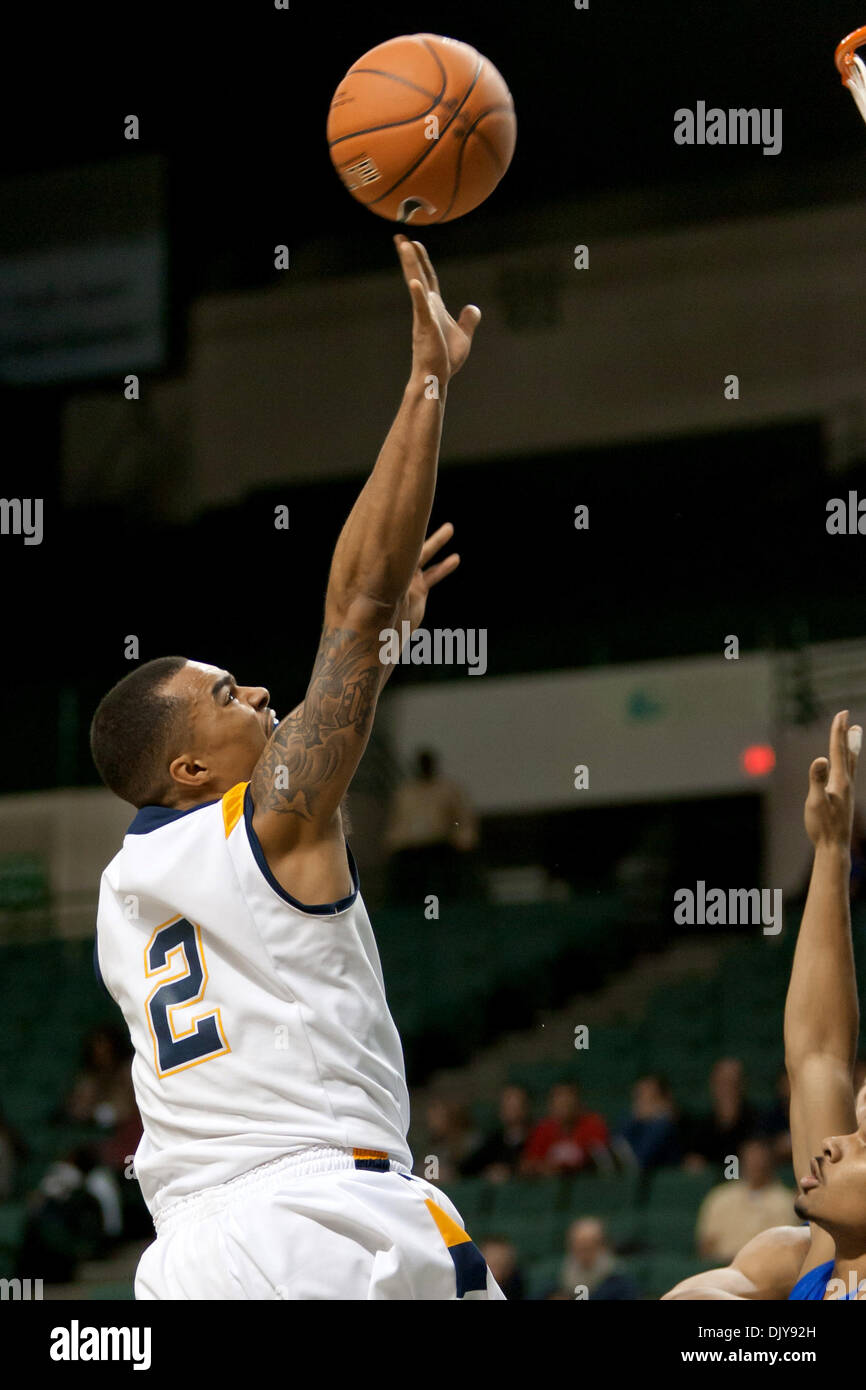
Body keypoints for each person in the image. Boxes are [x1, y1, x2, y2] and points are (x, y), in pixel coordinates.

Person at [88, 237, 503, 1301]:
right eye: (227, 694)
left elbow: (352, 654)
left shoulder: (121, 891)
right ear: (185, 764)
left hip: (191, 1250)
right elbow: (351, 611)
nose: (261, 693)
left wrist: (373, 650)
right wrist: (424, 386)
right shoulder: (260, 825)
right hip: (314, 1224)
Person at [664, 711, 866, 1300]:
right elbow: (819, 1056)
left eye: (864, 1141)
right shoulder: (799, 1258)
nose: (835, 1138)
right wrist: (830, 851)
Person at [383, 749, 480, 904]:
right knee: (408, 889)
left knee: (443, 890)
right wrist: (393, 845)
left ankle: (441, 913)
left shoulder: (448, 790)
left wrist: (464, 843)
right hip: (410, 852)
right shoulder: (405, 793)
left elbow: (463, 820)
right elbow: (398, 823)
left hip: (440, 850)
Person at [695, 1136, 797, 1263]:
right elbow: (706, 1244)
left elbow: (783, 1250)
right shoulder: (720, 1196)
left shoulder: (786, 1202)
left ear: (770, 1162)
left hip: (763, 1271)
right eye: (751, 1158)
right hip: (720, 1269)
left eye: (760, 1159)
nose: (755, 1164)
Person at [681, 1057, 759, 1170]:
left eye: (733, 1082)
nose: (727, 1089)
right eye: (722, 1083)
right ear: (713, 1085)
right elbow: (692, 1159)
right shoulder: (701, 1127)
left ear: (742, 1086)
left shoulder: (757, 1122)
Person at [521, 1082, 611, 1176]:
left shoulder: (593, 1126)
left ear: (578, 1103)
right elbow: (528, 1164)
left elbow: (601, 1162)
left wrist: (564, 1168)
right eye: (559, 1100)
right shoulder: (543, 1129)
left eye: (568, 1100)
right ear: (551, 1105)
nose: (564, 1105)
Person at [462, 1084, 533, 1181]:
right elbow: (469, 1166)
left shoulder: (536, 1136)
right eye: (506, 1104)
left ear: (525, 1108)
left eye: (515, 1105)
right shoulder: (494, 1140)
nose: (510, 1110)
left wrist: (511, 1171)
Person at [615, 1073, 682, 1171]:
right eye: (639, 1097)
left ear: (663, 1099)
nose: (642, 1103)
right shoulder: (633, 1122)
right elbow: (618, 1144)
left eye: (650, 1097)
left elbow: (638, 1161)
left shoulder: (665, 1125)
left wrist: (662, 1114)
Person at [560, 1217, 639, 1300]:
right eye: (577, 1248)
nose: (582, 1254)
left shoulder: (619, 1283)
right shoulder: (561, 1281)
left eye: (587, 1247)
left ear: (601, 1246)